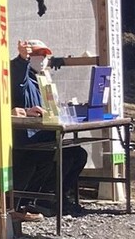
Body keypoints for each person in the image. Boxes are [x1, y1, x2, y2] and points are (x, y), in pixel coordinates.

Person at [10, 37, 88, 217]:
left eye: (45, 55)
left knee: (77, 154)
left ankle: (54, 198)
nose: (42, 58)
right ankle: (38, 200)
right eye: (37, 54)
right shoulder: (24, 78)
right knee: (55, 158)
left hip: (45, 135)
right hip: (28, 138)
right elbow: (18, 78)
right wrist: (22, 58)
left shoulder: (43, 79)